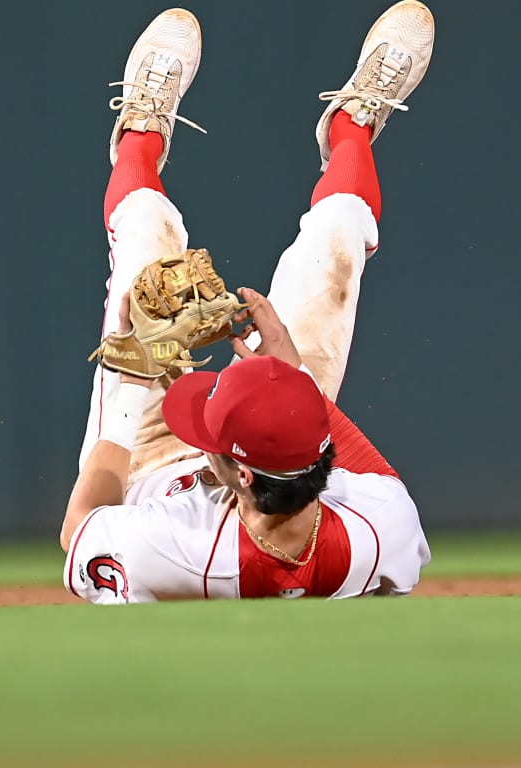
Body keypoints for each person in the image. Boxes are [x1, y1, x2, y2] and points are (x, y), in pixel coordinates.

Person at [60, 2, 435, 603]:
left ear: (238, 474)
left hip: (146, 458)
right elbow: (373, 475)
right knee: (338, 232)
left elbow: (79, 530)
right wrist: (291, 379)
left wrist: (130, 368)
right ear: (320, 464)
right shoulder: (377, 529)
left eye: (207, 409)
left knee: (146, 231)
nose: (207, 387)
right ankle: (353, 125)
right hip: (274, 452)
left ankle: (140, 130)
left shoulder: (175, 549)